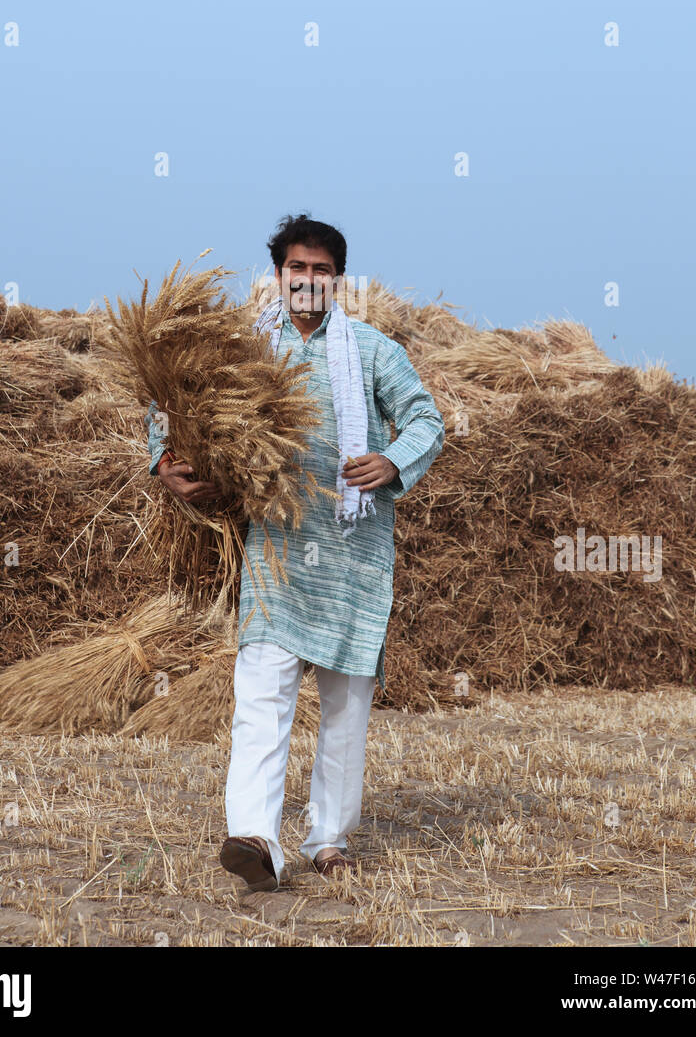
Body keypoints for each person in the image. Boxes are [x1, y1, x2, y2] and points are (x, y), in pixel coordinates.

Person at [147, 214, 445, 889]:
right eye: (296, 269)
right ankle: (254, 836)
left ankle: (327, 840)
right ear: (278, 277)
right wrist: (162, 457)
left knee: (344, 701)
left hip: (351, 549)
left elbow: (427, 418)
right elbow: (168, 400)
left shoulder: (372, 351)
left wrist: (392, 462)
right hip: (276, 546)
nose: (308, 281)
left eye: (321, 270)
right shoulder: (244, 351)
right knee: (262, 685)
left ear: (338, 280)